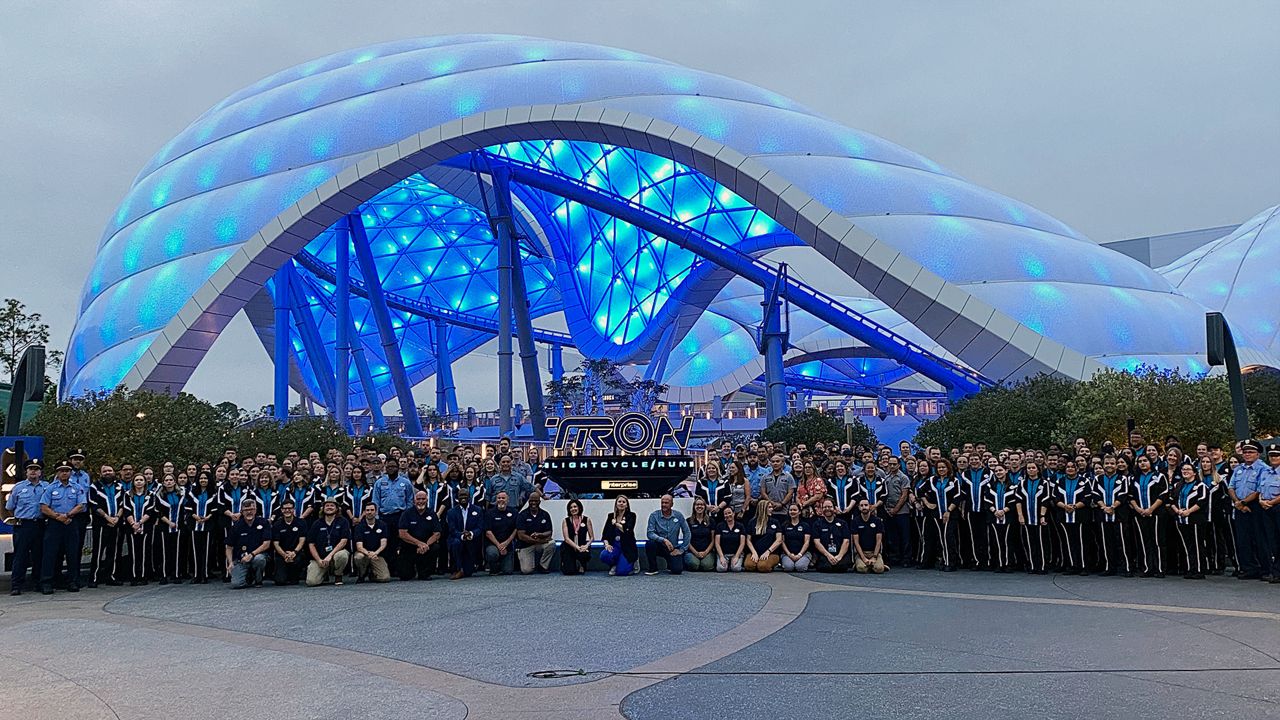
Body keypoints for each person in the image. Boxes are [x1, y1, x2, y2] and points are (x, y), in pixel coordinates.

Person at [38, 460, 87, 594]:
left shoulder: (77, 487)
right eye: (61, 470)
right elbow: (43, 507)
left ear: (70, 472)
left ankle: (72, 581)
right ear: (57, 473)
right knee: (50, 554)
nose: (64, 473)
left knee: (72, 553)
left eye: (67, 470)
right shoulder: (50, 488)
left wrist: (68, 515)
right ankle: (47, 582)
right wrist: (58, 517)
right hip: (54, 523)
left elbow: (81, 505)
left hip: (71, 522)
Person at [5, 461, 47, 595]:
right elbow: (10, 507)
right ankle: (16, 585)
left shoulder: (46, 487)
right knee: (20, 556)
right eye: (30, 469)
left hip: (40, 524)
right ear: (26, 472)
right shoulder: (18, 487)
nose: (33, 471)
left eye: (36, 469)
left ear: (40, 472)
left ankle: (37, 583)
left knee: (38, 555)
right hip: (23, 526)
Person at [1230, 440, 1268, 580]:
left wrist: (1244, 502)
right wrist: (1237, 502)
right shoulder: (1239, 469)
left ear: (1258, 454)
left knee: (1259, 539)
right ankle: (1248, 568)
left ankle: (1264, 569)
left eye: (1250, 452)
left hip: (1254, 507)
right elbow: (1231, 486)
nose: (1247, 454)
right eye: (1245, 452)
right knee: (1243, 539)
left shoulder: (1263, 468)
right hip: (1239, 506)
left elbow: (1259, 490)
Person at [1130, 453, 1169, 578]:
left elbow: (1163, 494)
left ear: (1150, 462)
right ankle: (1147, 568)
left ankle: (1160, 568)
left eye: (1145, 460)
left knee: (1158, 541)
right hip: (1140, 513)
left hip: (1156, 513)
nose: (1142, 463)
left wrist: (1151, 509)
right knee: (1144, 541)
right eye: (1140, 461)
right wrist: (1138, 509)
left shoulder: (1159, 476)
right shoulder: (1134, 478)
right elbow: (1130, 496)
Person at [1093, 454, 1132, 577]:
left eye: (1112, 463)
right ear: (1103, 465)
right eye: (1107, 463)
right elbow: (1095, 494)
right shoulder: (1098, 479)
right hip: (1103, 514)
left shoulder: (1123, 479)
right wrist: (1104, 507)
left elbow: (1123, 495)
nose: (1109, 466)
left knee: (1122, 541)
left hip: (1119, 515)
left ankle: (1126, 567)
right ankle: (1109, 567)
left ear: (1116, 465)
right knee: (1106, 542)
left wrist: (1113, 507)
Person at [1052, 458, 1091, 576]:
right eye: (1068, 467)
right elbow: (1055, 497)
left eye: (1072, 467)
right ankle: (1071, 565)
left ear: (1077, 468)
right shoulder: (1060, 481)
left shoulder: (1084, 481)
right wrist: (1065, 506)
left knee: (1081, 541)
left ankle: (1084, 566)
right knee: (1067, 541)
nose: (1070, 469)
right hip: (1063, 516)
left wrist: (1074, 506)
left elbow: (1088, 497)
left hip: (1080, 516)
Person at [87, 464, 124, 588]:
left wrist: (117, 518)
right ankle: (94, 577)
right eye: (105, 471)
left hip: (116, 522)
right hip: (102, 523)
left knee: (113, 551)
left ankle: (111, 576)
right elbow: (93, 504)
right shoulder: (94, 487)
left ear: (114, 472)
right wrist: (107, 517)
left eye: (110, 470)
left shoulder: (119, 487)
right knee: (98, 551)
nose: (107, 473)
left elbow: (123, 504)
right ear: (101, 473)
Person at [1170, 462, 1209, 579]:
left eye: (1188, 469)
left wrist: (1188, 511)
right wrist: (1177, 511)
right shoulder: (1178, 485)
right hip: (1181, 519)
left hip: (1195, 519)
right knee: (1186, 545)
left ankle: (1198, 570)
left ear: (1194, 472)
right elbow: (1171, 500)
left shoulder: (1200, 486)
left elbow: (1201, 502)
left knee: (1197, 545)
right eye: (1183, 469)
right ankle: (1190, 568)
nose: (1185, 471)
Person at [919, 459, 959, 572]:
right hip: (936, 514)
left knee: (949, 537)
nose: (941, 469)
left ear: (948, 468)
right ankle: (944, 561)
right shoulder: (931, 480)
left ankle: (951, 562)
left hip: (950, 514)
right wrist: (927, 503)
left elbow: (958, 497)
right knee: (941, 538)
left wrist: (949, 511)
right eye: (939, 468)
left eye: (943, 467)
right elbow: (919, 491)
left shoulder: (954, 481)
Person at [224, 500, 272, 589]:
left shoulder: (264, 522)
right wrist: (230, 563)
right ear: (241, 512)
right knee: (236, 584)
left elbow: (267, 544)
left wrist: (251, 555)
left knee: (259, 559)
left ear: (256, 510)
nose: (249, 512)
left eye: (251, 509)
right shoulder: (237, 526)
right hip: (241, 559)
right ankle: (249, 576)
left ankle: (258, 580)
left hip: (257, 556)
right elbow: (229, 547)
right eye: (246, 510)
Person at [1018, 460, 1053, 575]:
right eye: (1029, 468)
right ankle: (1032, 565)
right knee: (1029, 541)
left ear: (1038, 469)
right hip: (1027, 516)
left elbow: (1046, 499)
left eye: (1033, 468)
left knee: (1042, 542)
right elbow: (1018, 500)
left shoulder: (1044, 483)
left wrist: (1042, 516)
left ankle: (1043, 565)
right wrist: (1020, 515)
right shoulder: (1022, 484)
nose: (1031, 470)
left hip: (1040, 517)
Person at [182, 473, 219, 584]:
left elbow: (215, 508)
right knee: (195, 550)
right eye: (201, 478)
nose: (203, 480)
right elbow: (188, 508)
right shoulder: (192, 493)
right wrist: (196, 517)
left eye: (205, 478)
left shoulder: (214, 493)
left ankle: (205, 574)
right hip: (195, 524)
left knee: (206, 551)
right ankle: (197, 574)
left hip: (208, 525)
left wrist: (207, 517)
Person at [306, 498, 352, 586]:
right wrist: (319, 560)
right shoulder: (316, 523)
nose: (329, 507)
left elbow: (344, 541)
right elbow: (311, 544)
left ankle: (338, 575)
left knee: (342, 555)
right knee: (311, 582)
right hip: (321, 557)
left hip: (335, 555)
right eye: (327, 506)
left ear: (337, 508)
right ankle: (324, 574)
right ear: (323, 508)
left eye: (332, 505)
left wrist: (329, 556)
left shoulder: (343, 521)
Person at [398, 491, 442, 580]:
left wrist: (425, 545)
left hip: (426, 547)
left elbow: (437, 534)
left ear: (427, 500)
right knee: (405, 576)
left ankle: (425, 572)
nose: (420, 501)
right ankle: (411, 570)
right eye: (418, 499)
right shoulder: (406, 514)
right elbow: (402, 533)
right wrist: (418, 543)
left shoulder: (432, 514)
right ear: (414, 500)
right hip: (410, 546)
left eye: (423, 499)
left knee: (436, 547)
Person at [150, 474, 185, 584]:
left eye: (171, 480)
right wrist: (169, 522)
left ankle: (176, 574)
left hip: (179, 526)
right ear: (163, 482)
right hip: (165, 526)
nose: (169, 482)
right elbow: (158, 512)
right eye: (166, 480)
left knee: (178, 551)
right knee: (165, 551)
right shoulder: (159, 496)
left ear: (175, 482)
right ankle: (164, 575)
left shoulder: (181, 494)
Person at [645, 493, 690, 575]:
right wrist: (663, 540)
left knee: (677, 570)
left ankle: (671, 564)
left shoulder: (678, 515)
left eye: (666, 503)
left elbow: (687, 532)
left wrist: (682, 549)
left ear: (672, 504)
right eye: (662, 502)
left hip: (673, 548)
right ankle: (653, 568)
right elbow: (650, 533)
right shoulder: (654, 515)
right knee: (650, 544)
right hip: (659, 546)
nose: (664, 505)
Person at [446, 490, 485, 579]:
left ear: (469, 497)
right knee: (456, 542)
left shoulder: (477, 510)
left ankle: (466, 568)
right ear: (457, 498)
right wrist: (462, 535)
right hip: (457, 539)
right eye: (460, 495)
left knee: (468, 572)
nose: (463, 497)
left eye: (465, 495)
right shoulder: (451, 512)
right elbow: (452, 529)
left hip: (471, 541)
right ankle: (458, 569)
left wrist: (471, 534)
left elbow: (480, 527)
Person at [516, 491, 556, 574]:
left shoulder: (545, 514)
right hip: (525, 545)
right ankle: (531, 564)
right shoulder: (522, 515)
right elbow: (521, 536)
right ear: (528, 501)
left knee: (551, 543)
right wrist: (538, 540)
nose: (533, 503)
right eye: (531, 501)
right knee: (526, 571)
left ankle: (543, 566)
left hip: (539, 543)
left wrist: (540, 534)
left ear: (539, 502)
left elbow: (549, 532)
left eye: (536, 501)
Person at [352, 500, 392, 583]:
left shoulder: (382, 525)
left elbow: (383, 544)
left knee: (385, 578)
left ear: (376, 512)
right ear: (364, 512)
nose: (369, 512)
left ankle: (372, 574)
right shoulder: (359, 527)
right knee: (358, 557)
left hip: (377, 555)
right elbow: (359, 547)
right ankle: (361, 574)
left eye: (372, 510)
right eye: (367, 510)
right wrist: (368, 554)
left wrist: (375, 553)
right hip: (364, 553)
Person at [1256, 447, 1280, 583]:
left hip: (1277, 507)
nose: (1274, 457)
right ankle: (1276, 571)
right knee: (1272, 541)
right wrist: (1261, 500)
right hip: (1266, 508)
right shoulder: (1266, 472)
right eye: (1271, 455)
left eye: (1277, 455)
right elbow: (1260, 489)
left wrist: (1271, 502)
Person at [271, 500, 308, 585]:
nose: (287, 510)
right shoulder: (277, 524)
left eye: (290, 508)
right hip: (281, 555)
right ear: (281, 510)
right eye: (285, 508)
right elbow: (276, 544)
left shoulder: (301, 522)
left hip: (296, 553)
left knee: (294, 581)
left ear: (293, 509)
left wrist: (294, 552)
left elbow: (302, 541)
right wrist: (284, 555)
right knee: (280, 581)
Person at [600, 495, 638, 576]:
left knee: (622, 572)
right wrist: (607, 545)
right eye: (619, 502)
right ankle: (614, 564)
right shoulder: (611, 516)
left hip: (627, 547)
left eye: (624, 502)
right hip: (615, 546)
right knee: (604, 555)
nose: (621, 503)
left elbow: (627, 530)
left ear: (627, 505)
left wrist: (616, 524)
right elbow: (605, 534)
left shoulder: (631, 515)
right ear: (616, 504)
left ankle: (633, 562)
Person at [810, 499, 851, 572]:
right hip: (825, 554)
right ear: (822, 509)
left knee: (842, 567)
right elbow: (816, 542)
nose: (827, 509)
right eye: (825, 507)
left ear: (834, 509)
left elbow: (846, 541)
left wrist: (839, 556)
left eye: (829, 507)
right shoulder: (817, 524)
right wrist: (828, 555)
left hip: (839, 553)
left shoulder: (843, 523)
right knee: (825, 567)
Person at [484, 491, 518, 575]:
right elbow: (488, 532)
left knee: (508, 571)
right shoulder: (489, 513)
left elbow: (516, 529)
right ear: (496, 500)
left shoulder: (514, 512)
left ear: (508, 500)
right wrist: (499, 546)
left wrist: (506, 543)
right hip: (493, 544)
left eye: (503, 498)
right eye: (499, 498)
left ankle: (502, 563)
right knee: (492, 553)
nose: (501, 500)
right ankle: (493, 567)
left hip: (508, 544)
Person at [851, 498, 887, 573]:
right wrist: (863, 558)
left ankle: (876, 565)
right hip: (861, 553)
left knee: (879, 569)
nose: (864, 507)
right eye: (862, 505)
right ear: (859, 507)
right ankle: (862, 564)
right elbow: (856, 542)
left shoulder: (877, 521)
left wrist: (874, 557)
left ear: (870, 506)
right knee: (862, 569)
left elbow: (879, 541)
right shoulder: (855, 521)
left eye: (866, 505)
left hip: (874, 552)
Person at [560, 498, 594, 575]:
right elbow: (566, 539)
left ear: (579, 507)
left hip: (582, 546)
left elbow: (592, 537)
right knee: (569, 572)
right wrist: (577, 547)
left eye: (575, 507)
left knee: (584, 554)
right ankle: (569, 563)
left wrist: (586, 546)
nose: (573, 509)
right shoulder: (566, 521)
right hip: (569, 546)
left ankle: (582, 563)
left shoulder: (586, 519)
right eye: (571, 507)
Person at [745, 501, 782, 572]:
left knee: (763, 567)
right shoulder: (752, 522)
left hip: (771, 552)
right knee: (749, 566)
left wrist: (768, 552)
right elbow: (748, 540)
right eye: (769, 507)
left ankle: (767, 563)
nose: (772, 509)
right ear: (763, 509)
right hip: (756, 551)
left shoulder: (775, 522)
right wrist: (754, 552)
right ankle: (757, 561)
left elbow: (779, 540)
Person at [683, 496, 717, 572]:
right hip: (692, 551)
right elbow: (687, 540)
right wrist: (696, 553)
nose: (699, 506)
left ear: (705, 507)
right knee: (694, 565)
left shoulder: (711, 521)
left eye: (702, 505)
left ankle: (704, 562)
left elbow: (713, 540)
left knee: (706, 566)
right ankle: (695, 562)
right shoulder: (688, 521)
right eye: (697, 505)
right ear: (694, 507)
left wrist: (705, 552)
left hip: (707, 551)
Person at [777, 502, 812, 572]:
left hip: (803, 553)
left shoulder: (805, 525)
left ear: (799, 512)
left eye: (795, 510)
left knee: (800, 567)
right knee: (788, 567)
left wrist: (799, 555)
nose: (792, 512)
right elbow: (782, 542)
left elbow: (807, 542)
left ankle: (805, 561)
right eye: (791, 510)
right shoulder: (784, 525)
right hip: (787, 553)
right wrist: (789, 554)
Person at [713, 505, 748, 572]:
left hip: (736, 553)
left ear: (734, 513)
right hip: (724, 554)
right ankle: (727, 564)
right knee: (721, 569)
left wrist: (737, 556)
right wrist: (721, 557)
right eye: (725, 514)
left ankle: (734, 564)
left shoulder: (740, 526)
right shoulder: (720, 526)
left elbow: (742, 543)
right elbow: (717, 543)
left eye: (729, 513)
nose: (728, 515)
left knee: (736, 569)